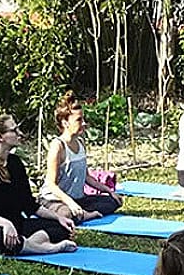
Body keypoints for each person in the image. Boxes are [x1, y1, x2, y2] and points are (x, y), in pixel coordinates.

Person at [0, 113, 77, 255]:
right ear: (0, 137)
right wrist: (5, 223)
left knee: (61, 228)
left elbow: (29, 204)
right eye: (14, 130)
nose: (19, 133)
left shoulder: (15, 163)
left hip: (16, 224)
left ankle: (28, 244)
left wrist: (59, 218)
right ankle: (48, 248)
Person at [40, 91, 123, 223]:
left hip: (78, 198)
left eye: (83, 119)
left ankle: (83, 213)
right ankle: (84, 214)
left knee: (114, 201)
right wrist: (70, 203)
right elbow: (51, 184)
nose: (84, 123)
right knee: (67, 213)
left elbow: (87, 177)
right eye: (79, 120)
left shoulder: (80, 142)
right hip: (54, 200)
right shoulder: (58, 147)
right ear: (65, 123)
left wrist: (109, 191)